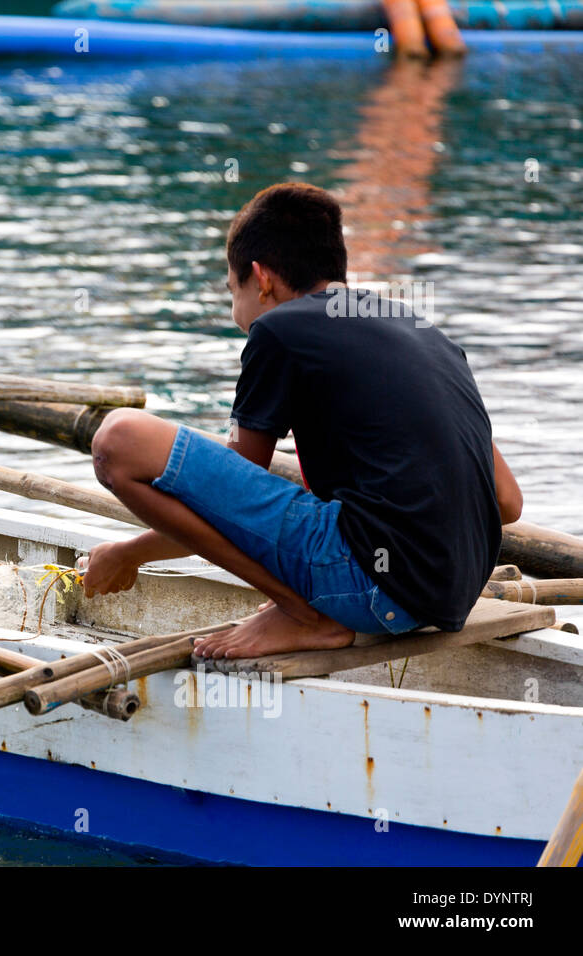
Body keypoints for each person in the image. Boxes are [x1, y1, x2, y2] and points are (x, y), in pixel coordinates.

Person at [80, 182, 522, 659]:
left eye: (234, 293)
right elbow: (508, 502)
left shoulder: (279, 329)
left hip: (371, 591)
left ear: (261, 278)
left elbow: (225, 507)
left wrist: (128, 553)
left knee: (120, 440)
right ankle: (318, 602)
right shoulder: (420, 330)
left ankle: (302, 614)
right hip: (451, 595)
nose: (237, 312)